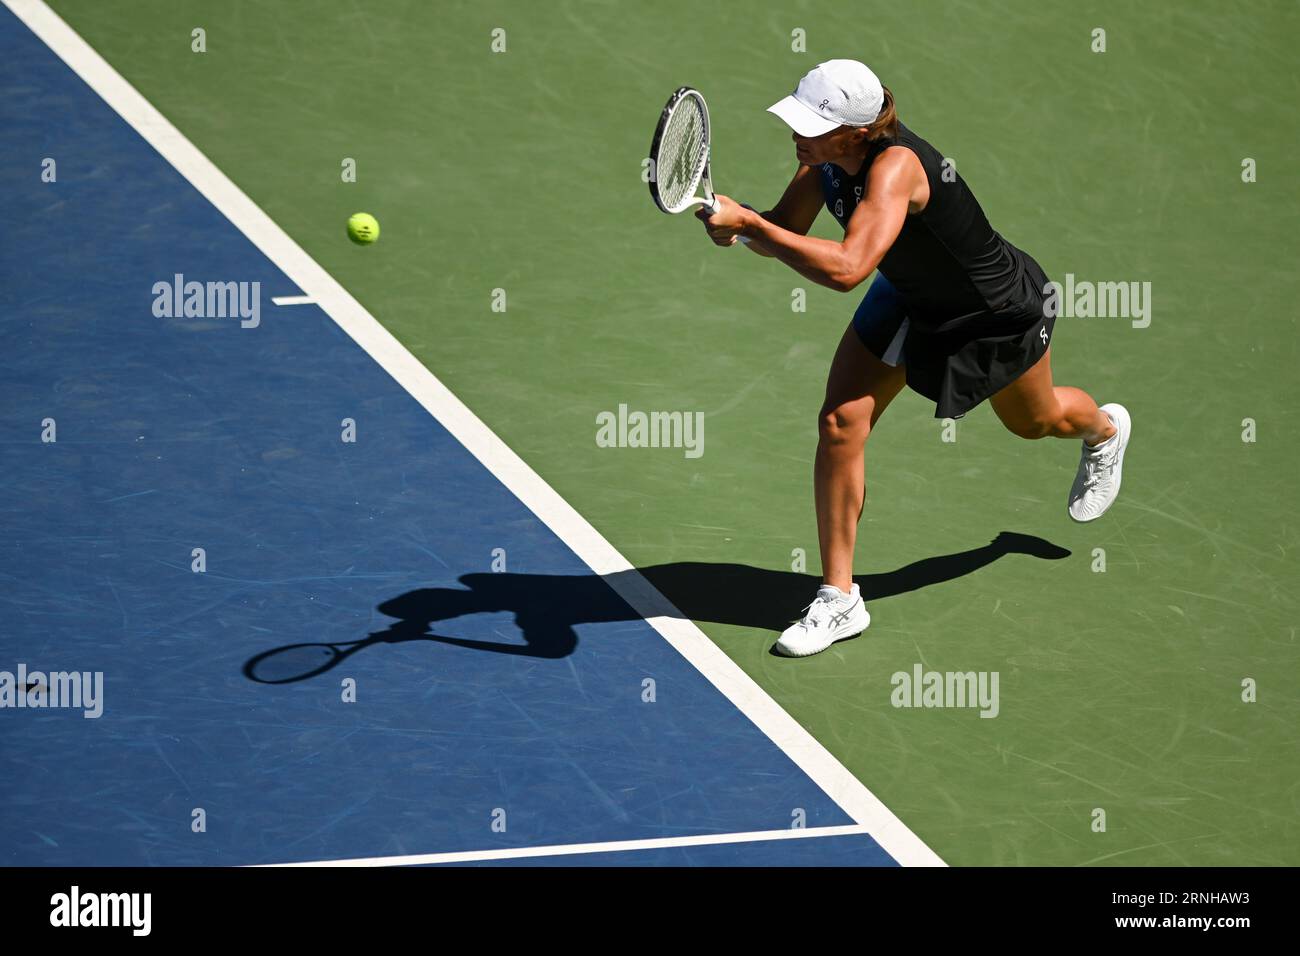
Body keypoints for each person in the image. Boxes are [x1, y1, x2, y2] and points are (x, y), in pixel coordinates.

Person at [696, 59, 1131, 658]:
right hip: (907, 295)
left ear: (856, 131)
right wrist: (743, 226)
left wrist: (751, 227)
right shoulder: (821, 159)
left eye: (810, 125)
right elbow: (785, 228)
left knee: (1037, 422)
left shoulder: (897, 167)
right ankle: (839, 597)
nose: (796, 133)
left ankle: (1103, 431)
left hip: (992, 313)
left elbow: (848, 269)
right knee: (839, 423)